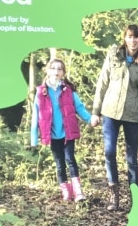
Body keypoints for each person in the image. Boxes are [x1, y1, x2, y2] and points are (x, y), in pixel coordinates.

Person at [89, 24, 138, 211]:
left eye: (136, 37)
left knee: (132, 158)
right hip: (110, 112)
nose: (133, 40)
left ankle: (135, 196)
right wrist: (95, 112)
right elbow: (102, 83)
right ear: (125, 38)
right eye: (130, 37)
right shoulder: (114, 55)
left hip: (132, 114)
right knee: (109, 151)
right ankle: (114, 193)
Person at [30, 58, 93, 202]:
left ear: (63, 73)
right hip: (52, 135)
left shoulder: (68, 91)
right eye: (53, 68)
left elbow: (79, 108)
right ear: (48, 70)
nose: (56, 71)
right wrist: (33, 139)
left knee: (70, 159)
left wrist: (90, 119)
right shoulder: (41, 93)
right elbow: (35, 116)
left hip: (67, 133)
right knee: (59, 164)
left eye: (59, 69)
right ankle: (66, 190)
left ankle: (78, 191)